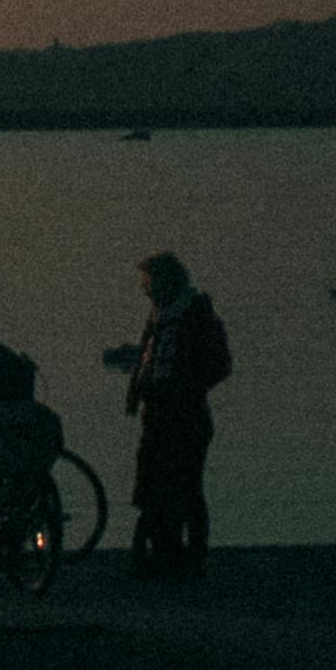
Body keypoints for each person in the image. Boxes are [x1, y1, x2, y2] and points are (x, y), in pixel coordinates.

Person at [116, 249, 230, 581]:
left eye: (148, 282)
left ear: (166, 281)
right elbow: (147, 360)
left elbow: (218, 363)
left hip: (186, 413)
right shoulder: (159, 314)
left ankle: (191, 558)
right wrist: (136, 395)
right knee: (153, 484)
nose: (145, 290)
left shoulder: (195, 314)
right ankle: (166, 554)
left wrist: (187, 388)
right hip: (157, 412)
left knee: (185, 485)